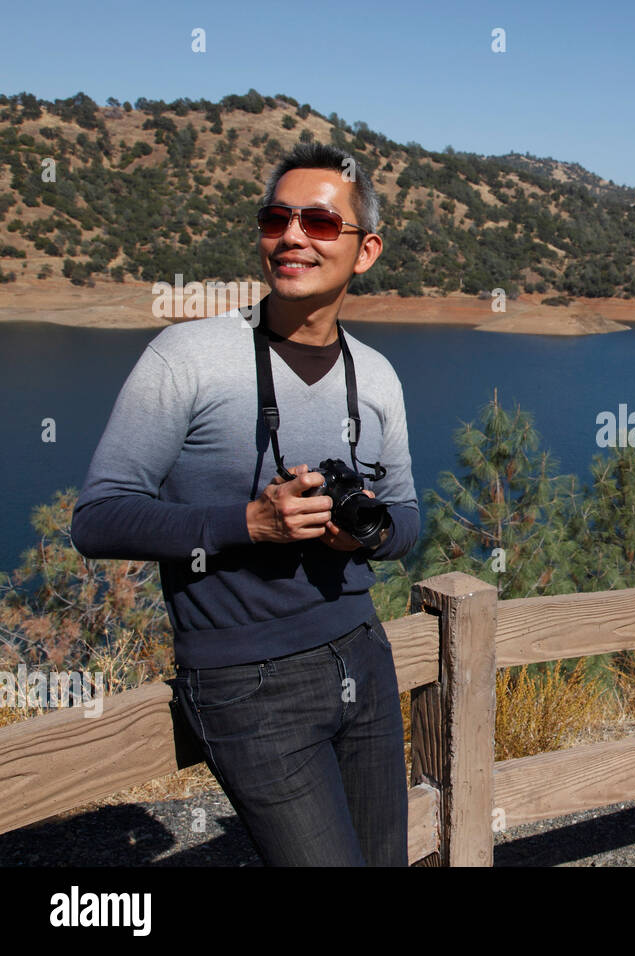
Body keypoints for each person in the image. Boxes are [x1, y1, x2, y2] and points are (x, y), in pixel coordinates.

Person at [70, 143, 419, 866]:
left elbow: (409, 519)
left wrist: (363, 538)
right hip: (245, 679)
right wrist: (250, 523)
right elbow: (97, 517)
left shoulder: (377, 375)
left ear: (366, 250)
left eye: (321, 222)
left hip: (362, 654)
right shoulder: (187, 356)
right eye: (276, 218)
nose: (292, 236)